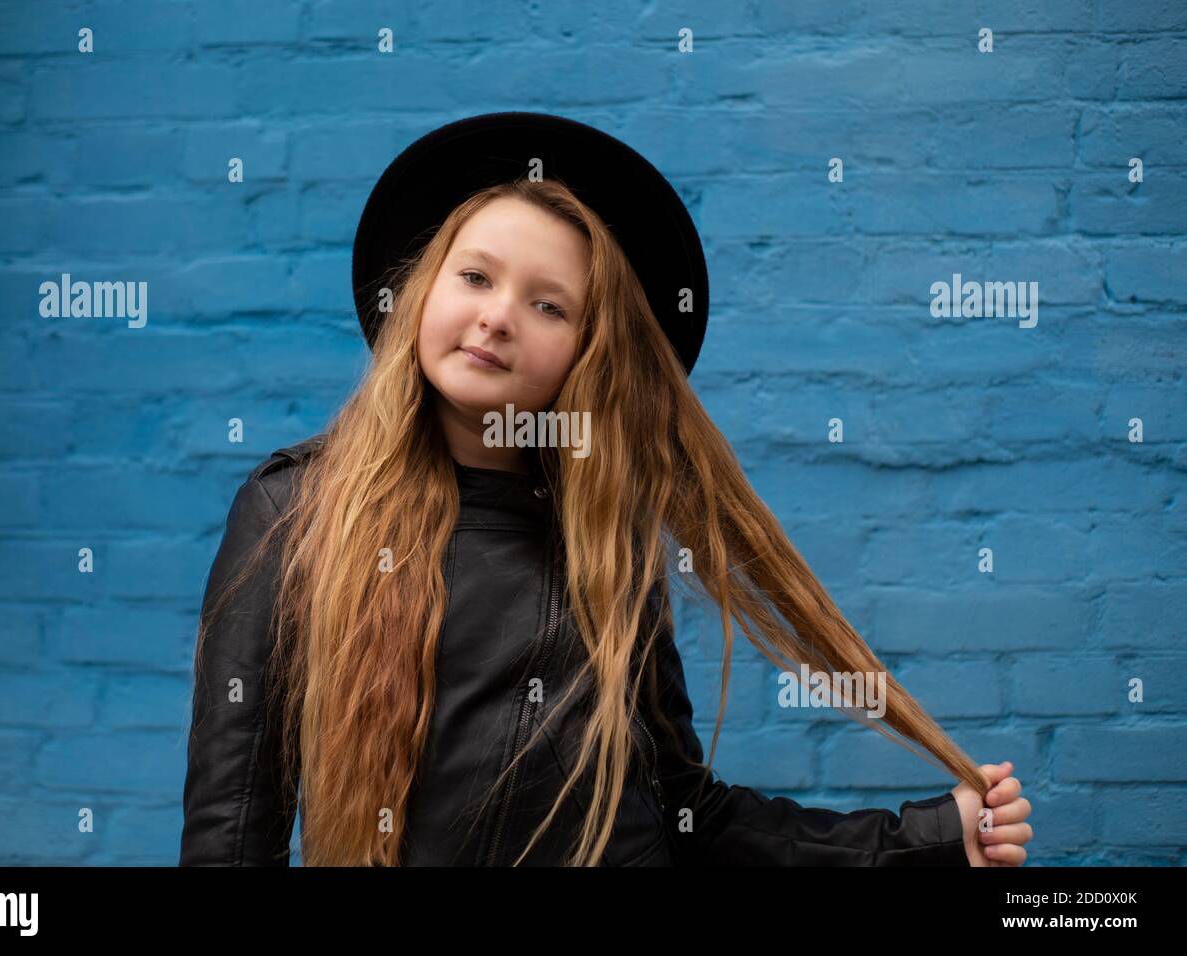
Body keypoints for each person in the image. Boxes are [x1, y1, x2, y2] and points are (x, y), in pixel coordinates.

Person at [179, 112, 1033, 867]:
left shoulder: (608, 545)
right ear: (420, 293)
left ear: (589, 355)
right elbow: (231, 831)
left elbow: (685, 816)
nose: (498, 316)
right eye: (475, 277)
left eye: (549, 306)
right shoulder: (294, 512)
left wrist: (926, 838)